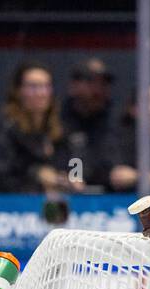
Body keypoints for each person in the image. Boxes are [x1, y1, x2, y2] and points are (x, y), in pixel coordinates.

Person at [0, 61, 71, 193]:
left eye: (46, 86)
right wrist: (35, 174)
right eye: (33, 87)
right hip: (16, 208)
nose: (40, 93)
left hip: (57, 207)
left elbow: (77, 159)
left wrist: (74, 177)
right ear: (18, 91)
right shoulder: (6, 131)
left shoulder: (61, 130)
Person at [60, 57, 121, 190]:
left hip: (110, 202)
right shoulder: (57, 122)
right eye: (91, 82)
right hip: (65, 198)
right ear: (73, 86)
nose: (98, 90)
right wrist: (59, 178)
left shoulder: (116, 123)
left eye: (103, 84)